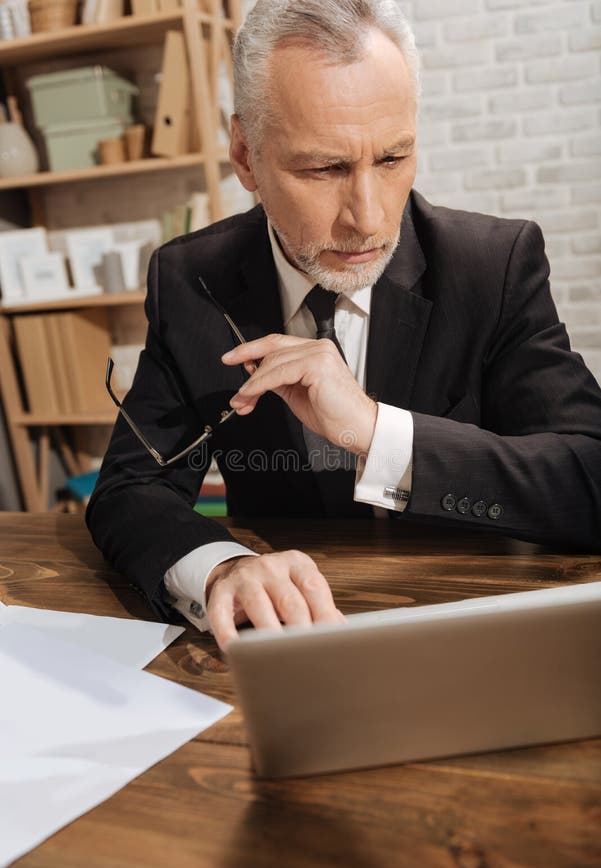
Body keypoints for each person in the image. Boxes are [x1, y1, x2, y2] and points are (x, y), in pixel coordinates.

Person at [87, 0, 601, 651]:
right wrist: (223, 568)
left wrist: (372, 430)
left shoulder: (491, 266)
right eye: (323, 169)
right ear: (245, 156)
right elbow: (132, 486)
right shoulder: (191, 279)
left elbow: (590, 479)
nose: (367, 220)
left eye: (391, 160)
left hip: (478, 633)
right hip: (288, 642)